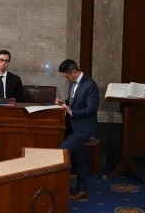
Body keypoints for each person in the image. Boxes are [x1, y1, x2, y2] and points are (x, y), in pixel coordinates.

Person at [54, 59, 99, 201]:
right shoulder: (73, 83)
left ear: (74, 72)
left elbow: (92, 109)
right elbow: (72, 101)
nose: (66, 79)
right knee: (79, 159)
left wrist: (71, 111)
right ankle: (82, 190)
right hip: (72, 127)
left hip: (83, 129)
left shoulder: (90, 85)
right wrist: (64, 103)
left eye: (66, 76)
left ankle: (62, 187)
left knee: (61, 152)